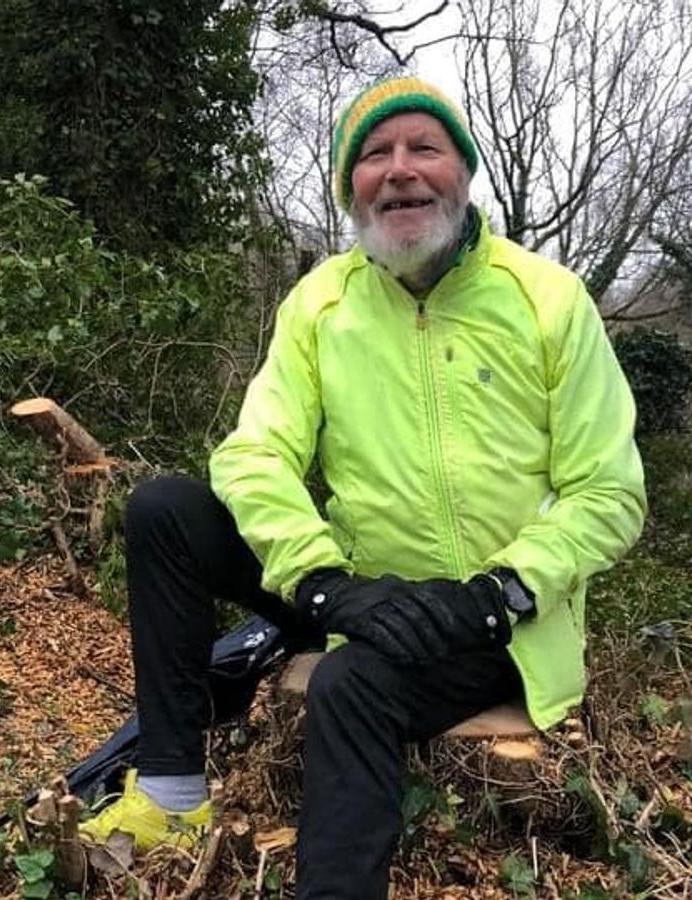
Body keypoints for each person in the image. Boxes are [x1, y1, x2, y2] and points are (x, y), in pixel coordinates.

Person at [80, 76, 647, 899]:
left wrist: (497, 593)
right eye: (375, 155)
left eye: (424, 148)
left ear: (464, 169)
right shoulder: (322, 303)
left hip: (496, 622)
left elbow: (610, 491)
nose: (400, 170)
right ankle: (170, 796)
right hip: (360, 595)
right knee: (167, 509)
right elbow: (252, 455)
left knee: (350, 686)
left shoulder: (548, 301)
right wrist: (323, 585)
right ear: (352, 186)